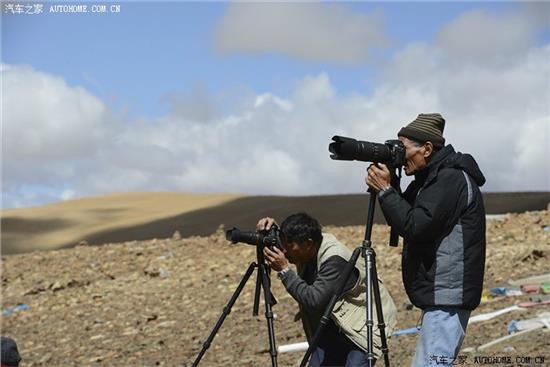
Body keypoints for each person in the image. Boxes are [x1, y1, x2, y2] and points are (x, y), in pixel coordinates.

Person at [365, 113, 486, 366]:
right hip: (440, 297)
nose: (399, 154)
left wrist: (386, 191)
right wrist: (393, 186)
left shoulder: (450, 179)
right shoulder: (428, 181)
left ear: (427, 149)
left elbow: (416, 226)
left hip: (447, 297)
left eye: (403, 148)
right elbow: (404, 219)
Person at [260, 212, 397, 367]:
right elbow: (285, 242)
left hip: (363, 324)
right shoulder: (305, 244)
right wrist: (271, 230)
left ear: (309, 244)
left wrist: (284, 271)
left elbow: (313, 300)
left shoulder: (334, 260)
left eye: (289, 245)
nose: (284, 251)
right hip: (335, 322)